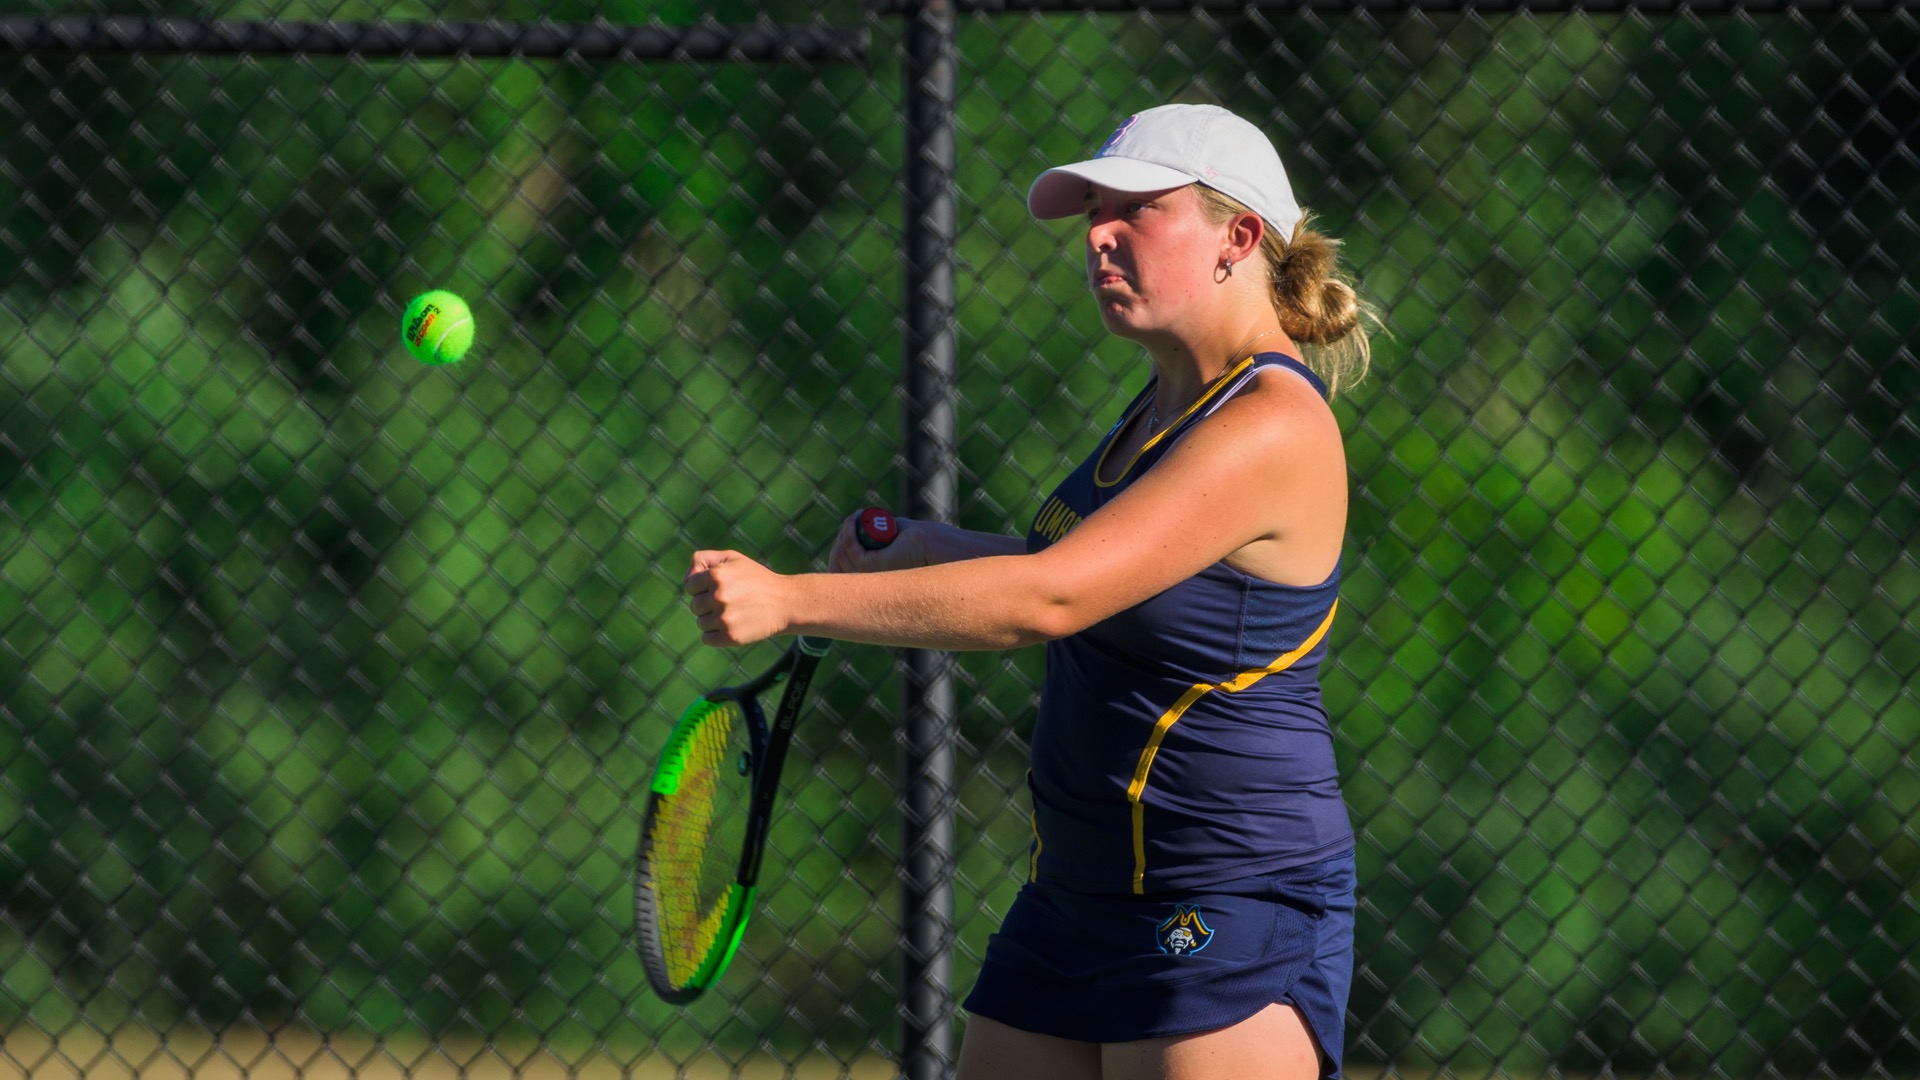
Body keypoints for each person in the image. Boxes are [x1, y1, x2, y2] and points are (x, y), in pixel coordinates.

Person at [686, 102, 1376, 1080]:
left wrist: (795, 600)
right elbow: (1112, 576)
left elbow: (1049, 600)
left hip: (1228, 898)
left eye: (1137, 209)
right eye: (1094, 209)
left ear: (1239, 236)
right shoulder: (1160, 405)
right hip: (1076, 898)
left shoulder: (1270, 423)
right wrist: (931, 547)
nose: (1098, 233)